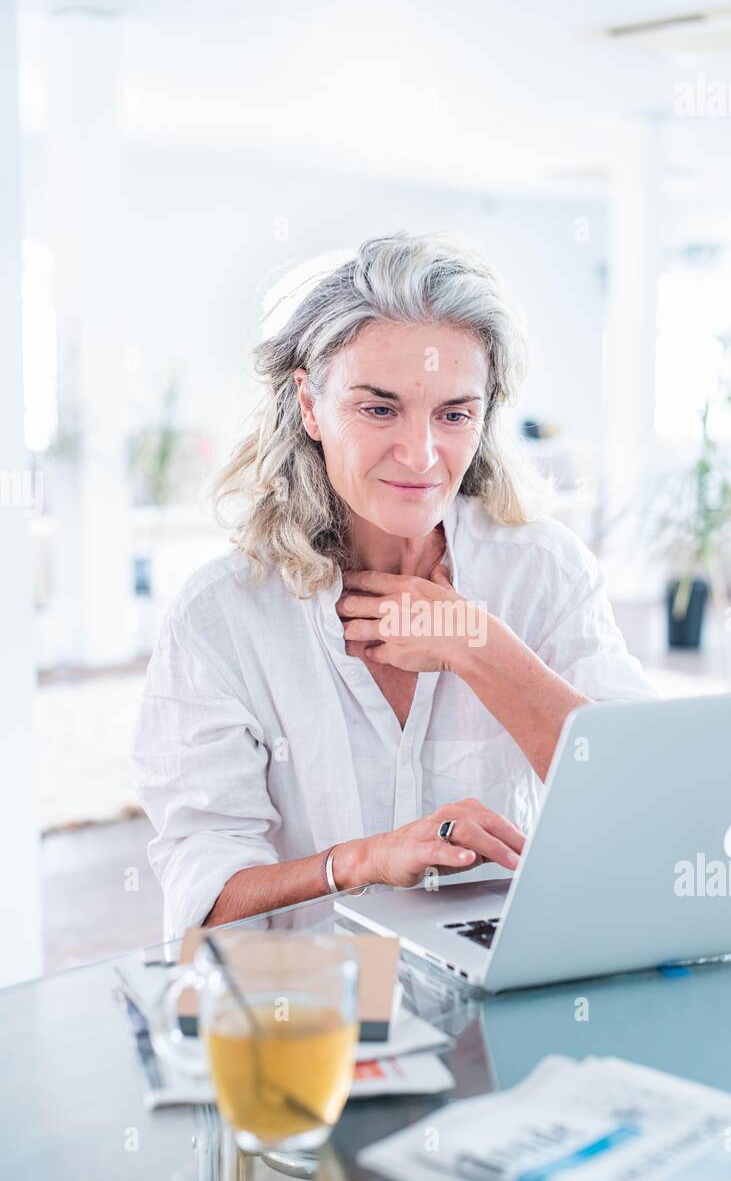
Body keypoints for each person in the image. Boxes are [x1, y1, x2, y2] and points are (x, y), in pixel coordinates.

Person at [132, 232, 653, 940]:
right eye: (378, 409)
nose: (421, 454)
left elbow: (640, 806)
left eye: (453, 413)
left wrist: (481, 648)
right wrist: (364, 860)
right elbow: (206, 906)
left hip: (508, 980)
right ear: (310, 405)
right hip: (314, 1013)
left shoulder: (543, 570)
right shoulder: (222, 614)